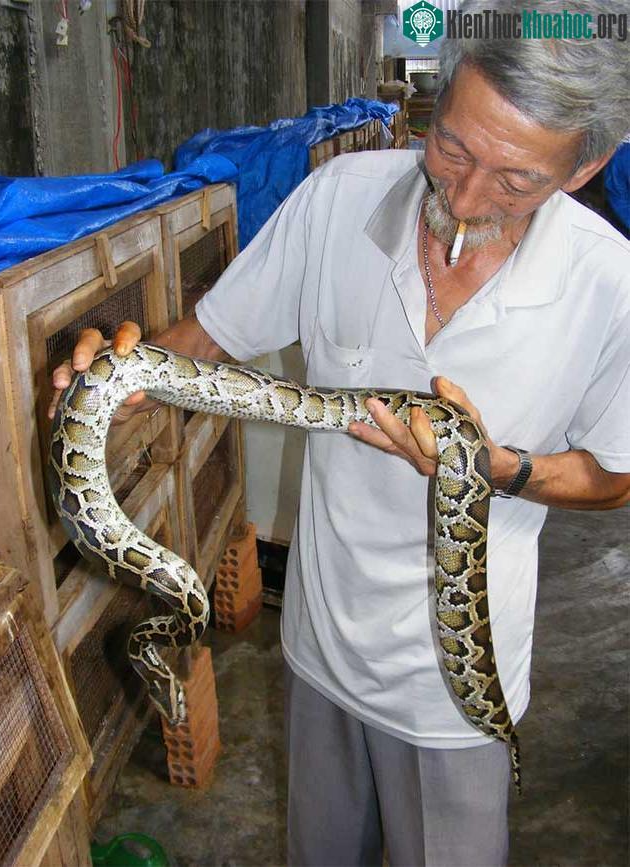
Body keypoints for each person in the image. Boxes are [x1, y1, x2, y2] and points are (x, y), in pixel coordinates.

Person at [50, 1, 630, 863]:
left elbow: (615, 475)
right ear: (438, 104)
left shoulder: (610, 286)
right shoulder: (334, 202)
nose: (465, 198)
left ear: (584, 168)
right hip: (319, 649)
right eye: (453, 149)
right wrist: (120, 374)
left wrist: (496, 468)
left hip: (454, 697)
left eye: (514, 181)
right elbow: (206, 341)